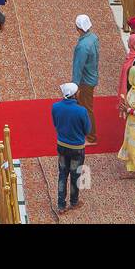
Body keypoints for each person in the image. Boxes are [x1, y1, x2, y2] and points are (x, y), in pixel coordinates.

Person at [51, 82, 90, 214]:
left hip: (61, 145)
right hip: (77, 148)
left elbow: (56, 124)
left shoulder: (55, 107)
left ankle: (61, 205)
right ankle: (74, 202)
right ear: (74, 95)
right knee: (75, 175)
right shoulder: (82, 111)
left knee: (62, 175)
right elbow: (87, 130)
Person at [72, 15, 100, 144]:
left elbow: (78, 67)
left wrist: (75, 86)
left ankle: (91, 137)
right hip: (92, 75)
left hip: (85, 81)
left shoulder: (82, 46)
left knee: (86, 108)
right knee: (85, 106)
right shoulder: (93, 38)